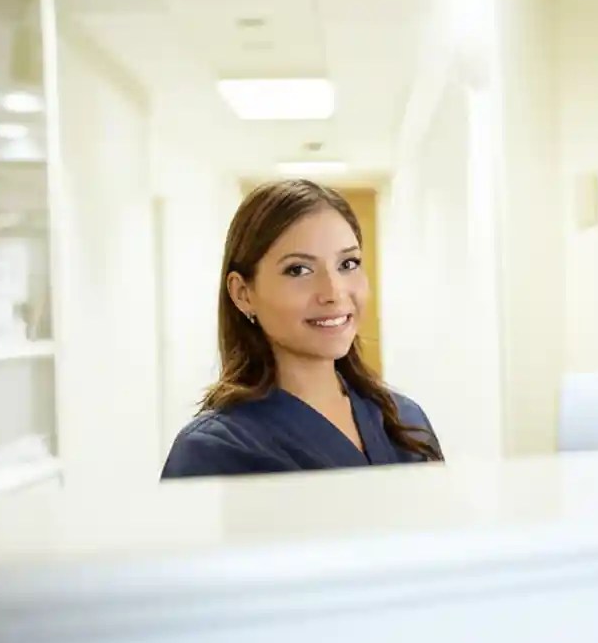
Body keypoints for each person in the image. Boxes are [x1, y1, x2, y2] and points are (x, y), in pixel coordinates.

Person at [161, 179, 441, 478]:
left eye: (348, 264)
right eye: (299, 270)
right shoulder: (212, 451)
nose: (333, 292)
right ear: (243, 293)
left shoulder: (405, 421)